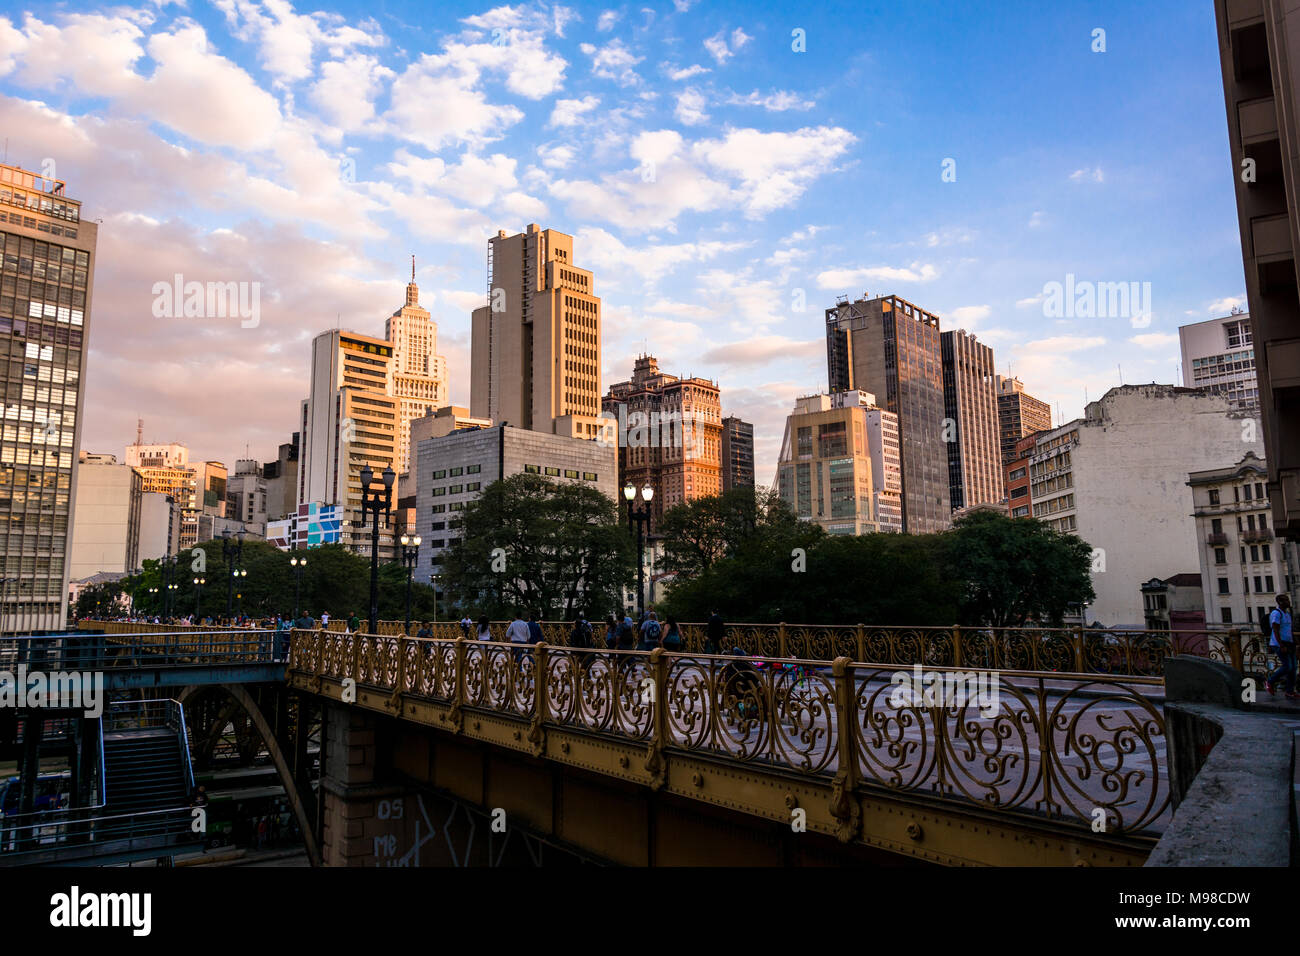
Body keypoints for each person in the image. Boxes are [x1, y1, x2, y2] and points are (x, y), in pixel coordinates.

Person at [1266, 593, 1297, 698]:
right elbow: (1275, 629)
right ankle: (1270, 681)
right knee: (1287, 666)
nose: (1288, 602)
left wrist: (1295, 643)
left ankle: (1290, 691)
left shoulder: (1287, 614)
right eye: (1285, 600)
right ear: (1280, 602)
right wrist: (1281, 645)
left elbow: (1289, 630)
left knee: (1293, 668)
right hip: (1280, 643)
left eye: (1288, 600)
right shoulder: (1276, 613)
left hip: (1289, 643)